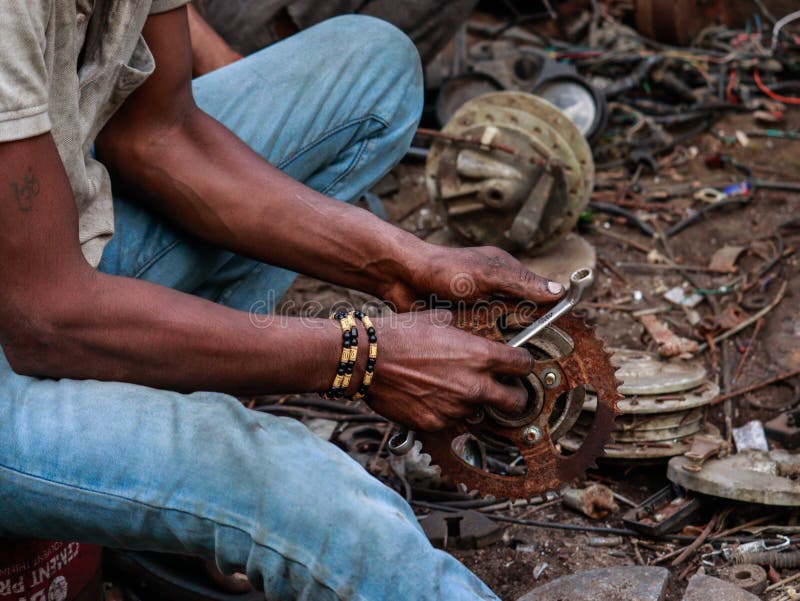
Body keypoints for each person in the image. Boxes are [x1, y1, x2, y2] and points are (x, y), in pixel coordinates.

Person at [0, 3, 564, 600]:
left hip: (48, 247)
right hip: (35, 319)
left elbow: (158, 134)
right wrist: (361, 355)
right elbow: (46, 320)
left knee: (374, 68)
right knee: (298, 489)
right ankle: (163, 473)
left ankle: (146, 467)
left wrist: (405, 260)